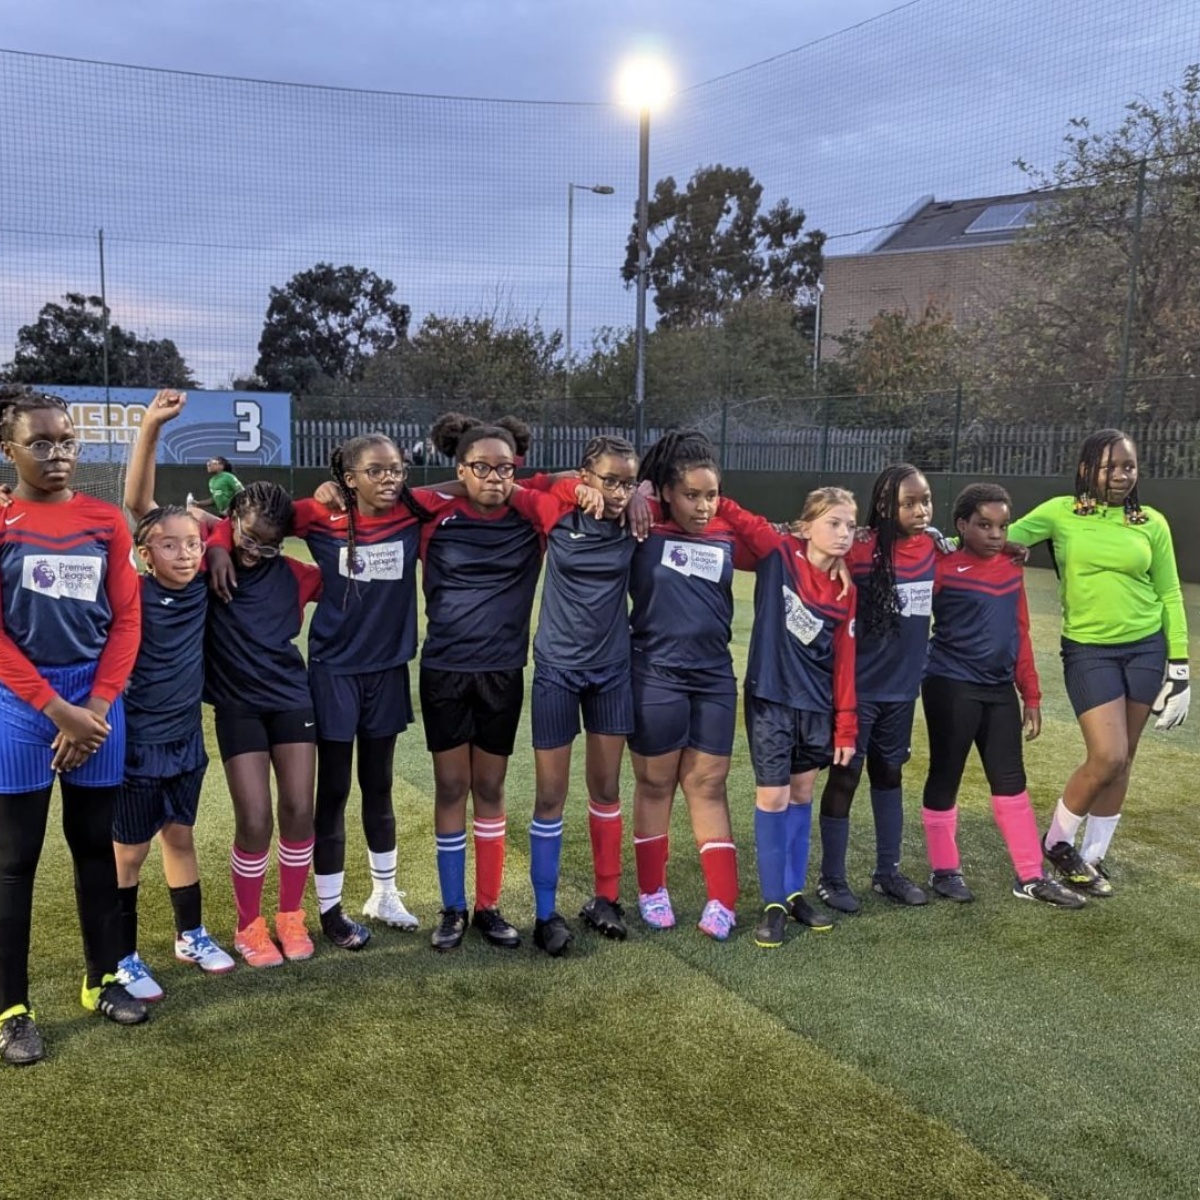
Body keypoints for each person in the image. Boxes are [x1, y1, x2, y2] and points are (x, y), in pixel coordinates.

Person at [0, 386, 147, 1067]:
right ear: (10, 451)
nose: (56, 453)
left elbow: (126, 618)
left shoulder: (104, 521)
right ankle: (12, 1009)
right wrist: (54, 710)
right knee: (13, 862)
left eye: (65, 441)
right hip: (21, 709)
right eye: (40, 443)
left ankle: (103, 978)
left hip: (97, 701)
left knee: (95, 848)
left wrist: (97, 704)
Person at [1006, 429, 1189, 893]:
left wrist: (1181, 667)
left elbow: (1168, 592)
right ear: (1087, 470)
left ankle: (1093, 857)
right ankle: (1057, 843)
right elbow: (994, 537)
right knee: (1106, 755)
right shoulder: (1060, 513)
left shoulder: (1151, 522)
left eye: (1128, 466)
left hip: (1147, 648)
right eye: (1110, 467)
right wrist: (924, 543)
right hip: (1088, 649)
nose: (1121, 475)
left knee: (1124, 759)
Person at [627, 429, 776, 941]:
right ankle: (652, 890)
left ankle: (723, 898)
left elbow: (770, 545)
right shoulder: (642, 526)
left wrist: (722, 504)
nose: (703, 505)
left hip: (713, 677)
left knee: (708, 784)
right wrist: (637, 494)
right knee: (655, 783)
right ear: (666, 490)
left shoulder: (724, 532)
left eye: (710, 493)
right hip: (654, 673)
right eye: (691, 494)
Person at [113, 390, 235, 1003]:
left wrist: (213, 545)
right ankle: (122, 955)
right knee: (128, 852)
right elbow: (138, 503)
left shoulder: (201, 583)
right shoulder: (132, 588)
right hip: (135, 744)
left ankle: (190, 934)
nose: (184, 552)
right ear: (144, 552)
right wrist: (152, 427)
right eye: (170, 544)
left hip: (186, 740)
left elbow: (241, 525)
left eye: (192, 543)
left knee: (180, 837)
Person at [919, 483, 1085, 908]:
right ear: (962, 525)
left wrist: (1031, 694)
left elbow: (1021, 632)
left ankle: (1031, 876)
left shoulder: (1013, 566)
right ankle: (945, 870)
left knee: (1011, 780)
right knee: (946, 774)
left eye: (1003, 526)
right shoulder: (940, 567)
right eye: (985, 525)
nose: (995, 534)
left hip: (998, 691)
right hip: (949, 685)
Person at [511, 435, 639, 955]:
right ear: (587, 476)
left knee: (606, 789)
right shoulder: (553, 510)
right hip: (557, 672)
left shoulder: (638, 521)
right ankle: (546, 913)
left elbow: (693, 498)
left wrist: (644, 492)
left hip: (612, 672)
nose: (620, 492)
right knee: (550, 796)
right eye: (611, 480)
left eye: (628, 482)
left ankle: (605, 898)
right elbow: (508, 486)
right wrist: (568, 487)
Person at [419, 414, 543, 952]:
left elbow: (570, 483)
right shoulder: (433, 515)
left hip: (502, 671)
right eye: (480, 467)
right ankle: (452, 907)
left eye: (504, 468)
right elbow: (397, 490)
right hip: (444, 668)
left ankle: (489, 906)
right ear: (459, 467)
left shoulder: (532, 516)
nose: (494, 478)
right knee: (451, 788)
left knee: (490, 789)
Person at [301, 435, 431, 947]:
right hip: (334, 671)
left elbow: (478, 485)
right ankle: (330, 909)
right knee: (332, 791)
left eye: (396, 469)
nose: (389, 479)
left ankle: (384, 892)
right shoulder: (316, 516)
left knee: (378, 786)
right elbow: (252, 517)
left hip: (388, 670)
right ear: (349, 479)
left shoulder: (414, 513)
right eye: (375, 471)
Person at [205, 482, 323, 966]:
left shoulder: (295, 574)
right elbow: (152, 513)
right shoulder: (208, 562)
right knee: (254, 819)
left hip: (292, 698)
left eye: (269, 545)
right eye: (249, 539)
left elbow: (346, 558)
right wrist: (216, 544)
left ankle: (290, 916)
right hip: (238, 705)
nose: (256, 553)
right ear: (231, 517)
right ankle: (247, 925)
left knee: (298, 808)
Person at [817, 464, 940, 912]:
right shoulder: (861, 549)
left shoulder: (932, 549)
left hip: (902, 693)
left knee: (890, 775)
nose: (921, 509)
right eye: (909, 502)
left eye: (926, 500)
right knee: (845, 778)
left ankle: (887, 872)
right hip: (856, 692)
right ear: (886, 506)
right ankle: (831, 879)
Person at [743, 487, 858, 949]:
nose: (844, 533)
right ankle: (772, 903)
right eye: (833, 522)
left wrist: (845, 724)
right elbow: (732, 513)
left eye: (851, 525)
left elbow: (846, 662)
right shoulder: (779, 554)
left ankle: (793, 893)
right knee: (772, 797)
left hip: (817, 709)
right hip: (771, 699)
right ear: (805, 525)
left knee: (801, 795)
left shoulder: (847, 590)